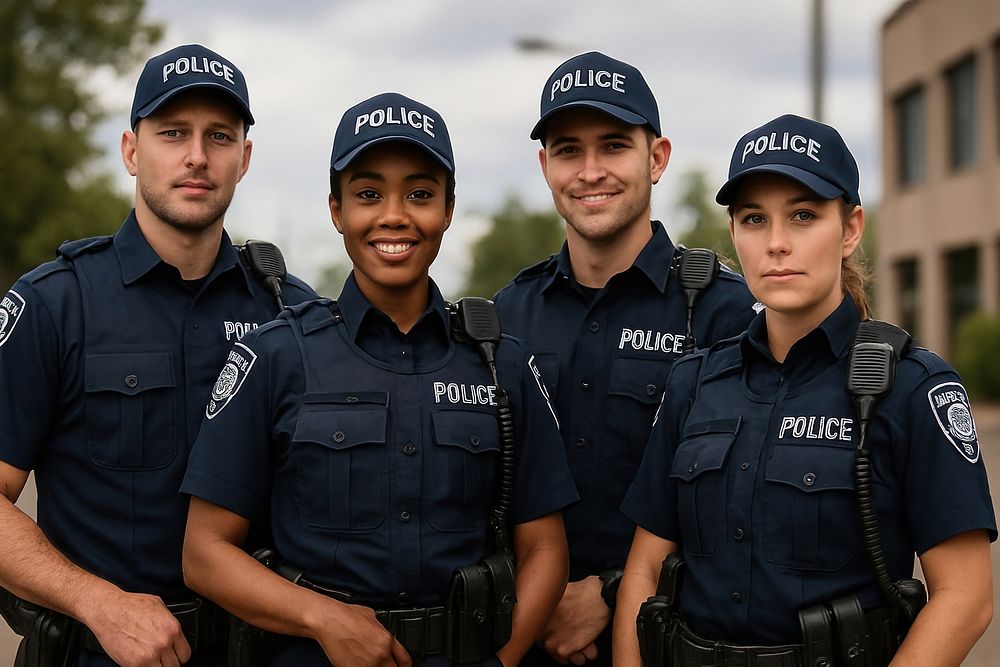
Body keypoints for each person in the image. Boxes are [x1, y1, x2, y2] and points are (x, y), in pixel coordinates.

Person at [180, 91, 578, 667]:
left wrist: (503, 660)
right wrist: (322, 619)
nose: (394, 215)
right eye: (368, 194)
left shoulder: (502, 363)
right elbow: (204, 552)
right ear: (337, 210)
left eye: (420, 193)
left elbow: (544, 548)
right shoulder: (276, 355)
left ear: (448, 209)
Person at [615, 114, 996, 666]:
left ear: (850, 229)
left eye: (802, 215)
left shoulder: (912, 387)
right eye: (753, 219)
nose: (775, 244)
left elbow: (966, 599)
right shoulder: (694, 382)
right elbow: (645, 571)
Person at [0, 43, 316, 667]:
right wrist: (97, 603)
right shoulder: (55, 304)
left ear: (244, 159)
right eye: (173, 133)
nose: (197, 156)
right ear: (131, 150)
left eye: (219, 136)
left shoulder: (292, 313)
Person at [492, 51, 758, 666]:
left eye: (613, 146)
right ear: (544, 166)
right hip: (520, 639)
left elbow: (748, 513)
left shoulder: (727, 315)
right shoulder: (502, 318)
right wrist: (539, 596)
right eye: (567, 150)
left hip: (672, 640)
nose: (590, 172)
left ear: (656, 158)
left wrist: (615, 592)